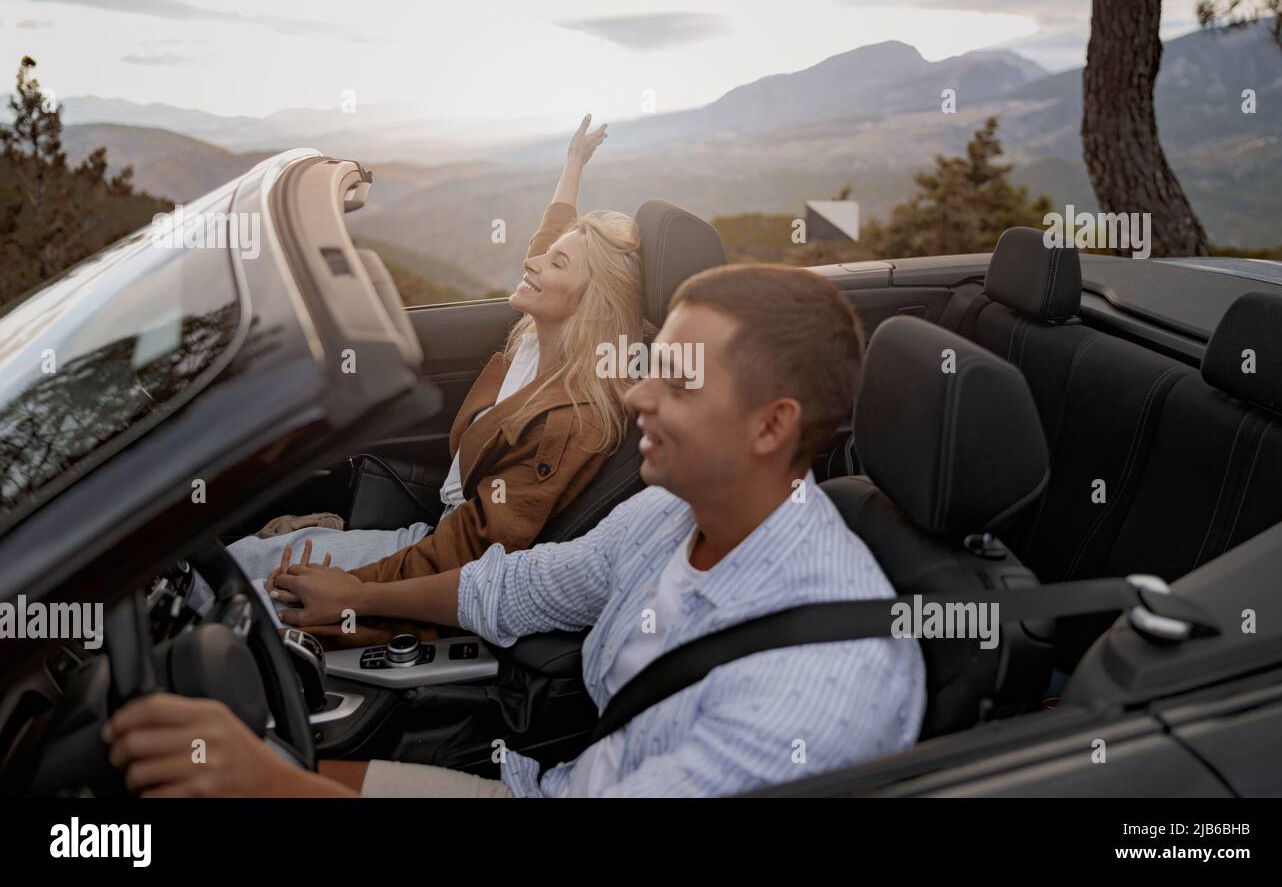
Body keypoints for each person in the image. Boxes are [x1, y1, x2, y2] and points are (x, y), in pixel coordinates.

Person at [105, 264, 926, 797]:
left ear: (769, 427)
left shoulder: (811, 693)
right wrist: (356, 597)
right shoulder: (676, 514)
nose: (637, 396)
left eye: (676, 380)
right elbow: (519, 585)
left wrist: (264, 784)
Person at [211, 115, 644, 647]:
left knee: (234, 605)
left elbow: (469, 558)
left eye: (554, 265)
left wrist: (351, 589)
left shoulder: (571, 420)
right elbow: (552, 232)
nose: (530, 262)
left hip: (433, 563)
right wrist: (573, 164)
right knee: (233, 562)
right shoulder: (536, 336)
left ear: (586, 305)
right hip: (433, 534)